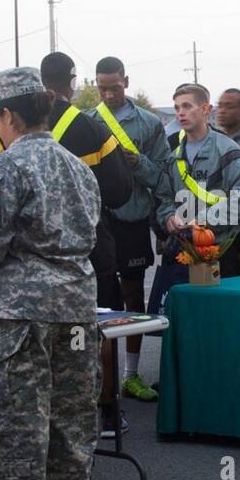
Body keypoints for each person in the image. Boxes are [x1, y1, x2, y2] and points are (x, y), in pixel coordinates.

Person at [0, 68, 102, 480]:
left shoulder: (4, 169)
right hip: (76, 307)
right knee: (71, 415)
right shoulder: (77, 167)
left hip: (20, 313)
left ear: (6, 115)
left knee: (22, 419)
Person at [39, 53, 133, 436]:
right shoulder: (90, 128)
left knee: (47, 331)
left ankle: (51, 410)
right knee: (101, 323)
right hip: (90, 244)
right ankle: (108, 410)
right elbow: (119, 190)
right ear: (72, 81)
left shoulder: (14, 129)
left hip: (40, 251)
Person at [89, 56, 170, 403]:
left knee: (133, 297)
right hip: (99, 222)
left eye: (115, 87)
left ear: (126, 81)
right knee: (98, 302)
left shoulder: (149, 123)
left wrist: (136, 162)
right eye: (102, 88)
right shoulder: (87, 122)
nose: (108, 94)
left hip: (135, 217)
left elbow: (163, 176)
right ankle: (98, 378)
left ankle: (131, 374)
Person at [157, 84, 240, 276]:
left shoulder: (227, 150)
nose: (180, 113)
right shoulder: (173, 155)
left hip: (219, 250)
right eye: (177, 108)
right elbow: (163, 197)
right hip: (181, 249)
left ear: (206, 109)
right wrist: (168, 218)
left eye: (187, 106)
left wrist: (201, 219)